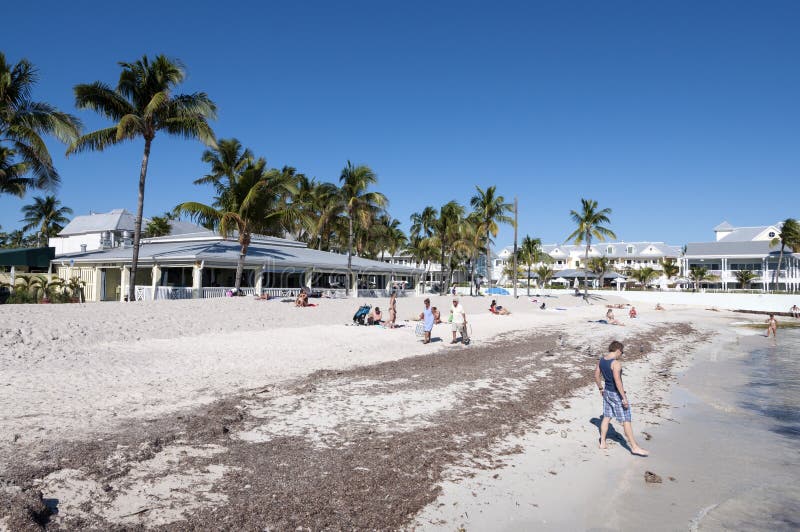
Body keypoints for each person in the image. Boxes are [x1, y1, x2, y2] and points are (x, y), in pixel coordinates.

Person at [594, 340, 649, 456]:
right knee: (626, 420)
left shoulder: (602, 360)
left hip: (607, 392)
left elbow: (596, 375)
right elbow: (617, 381)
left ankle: (602, 442)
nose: (621, 355)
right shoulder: (616, 363)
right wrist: (624, 397)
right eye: (622, 352)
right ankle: (634, 447)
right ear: (618, 350)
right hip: (616, 394)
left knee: (607, 416)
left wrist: (600, 388)